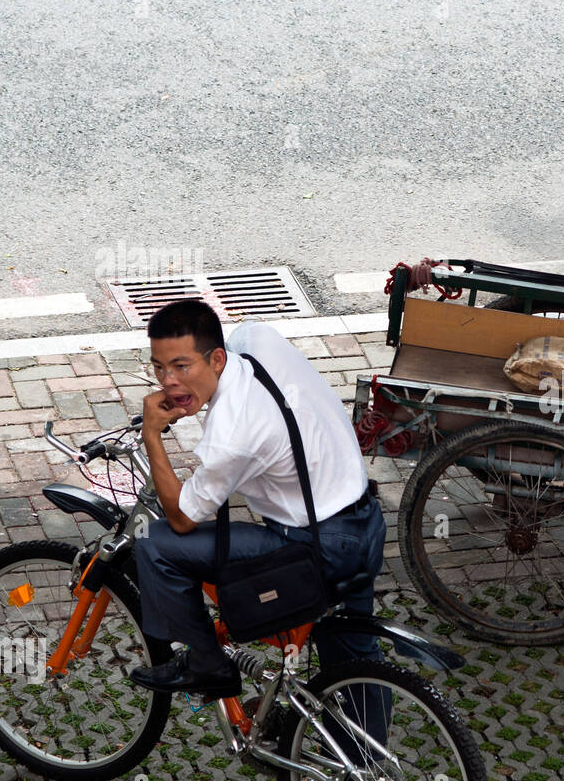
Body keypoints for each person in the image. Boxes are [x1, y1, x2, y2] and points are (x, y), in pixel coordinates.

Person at [128, 299, 385, 697]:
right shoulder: (255, 339)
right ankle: (364, 758)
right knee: (357, 662)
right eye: (159, 367)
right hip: (365, 523)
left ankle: (207, 665)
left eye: (182, 366)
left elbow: (181, 518)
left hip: (320, 548)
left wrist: (151, 435)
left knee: (154, 543)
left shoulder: (232, 435)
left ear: (216, 359)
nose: (168, 381)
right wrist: (195, 389)